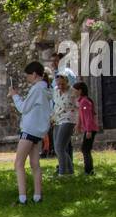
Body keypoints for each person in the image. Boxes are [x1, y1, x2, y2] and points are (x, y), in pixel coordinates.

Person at [12, 62, 51, 204]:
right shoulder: (47, 89)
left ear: (34, 74)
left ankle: (22, 198)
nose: (27, 78)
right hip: (39, 131)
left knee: (19, 163)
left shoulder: (37, 89)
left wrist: (15, 95)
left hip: (29, 130)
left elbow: (23, 108)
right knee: (35, 164)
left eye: (28, 75)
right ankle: (37, 196)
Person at [52, 70, 79, 176]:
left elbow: (79, 107)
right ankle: (71, 172)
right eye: (58, 84)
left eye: (62, 84)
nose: (60, 86)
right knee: (58, 148)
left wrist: (79, 123)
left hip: (69, 120)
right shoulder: (55, 90)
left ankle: (62, 174)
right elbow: (56, 106)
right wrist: (52, 118)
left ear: (67, 82)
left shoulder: (73, 92)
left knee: (60, 147)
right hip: (57, 120)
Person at [75, 81, 100, 175]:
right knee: (85, 149)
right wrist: (79, 125)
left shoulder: (84, 102)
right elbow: (82, 116)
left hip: (90, 129)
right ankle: (89, 170)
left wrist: (88, 130)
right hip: (88, 129)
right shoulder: (82, 101)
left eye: (75, 90)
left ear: (80, 90)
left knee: (85, 149)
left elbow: (88, 117)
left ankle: (89, 171)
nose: (74, 92)